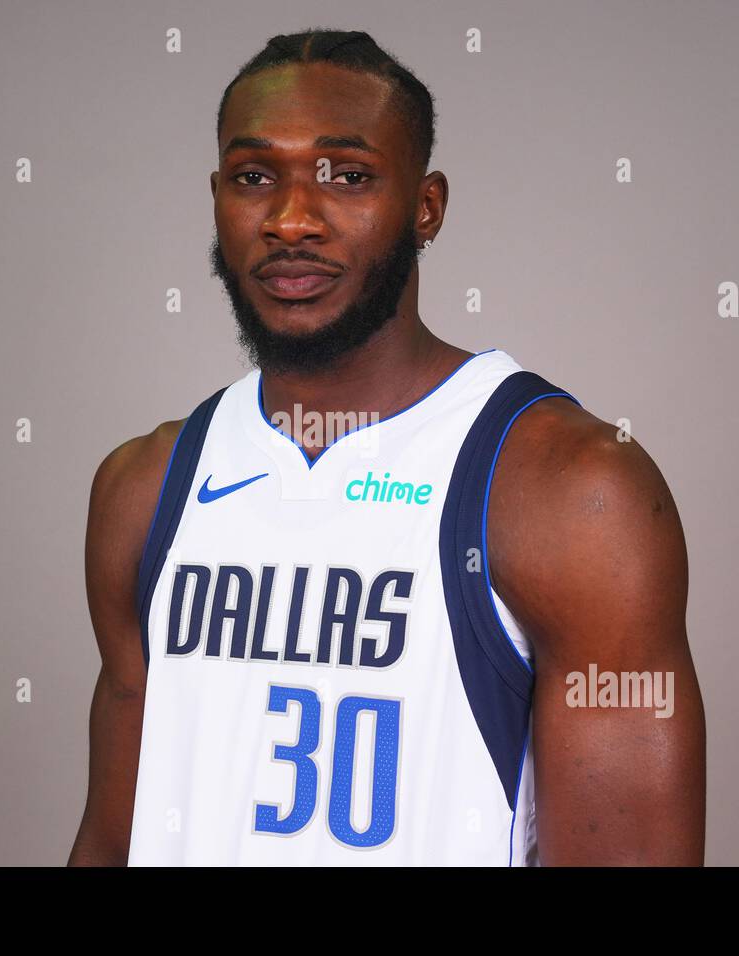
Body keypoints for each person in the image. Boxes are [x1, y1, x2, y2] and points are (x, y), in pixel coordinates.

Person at [68, 30, 705, 865]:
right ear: (217, 197)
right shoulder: (145, 490)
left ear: (426, 206)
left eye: (349, 177)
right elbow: (113, 841)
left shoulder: (568, 491)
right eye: (255, 177)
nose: (292, 220)